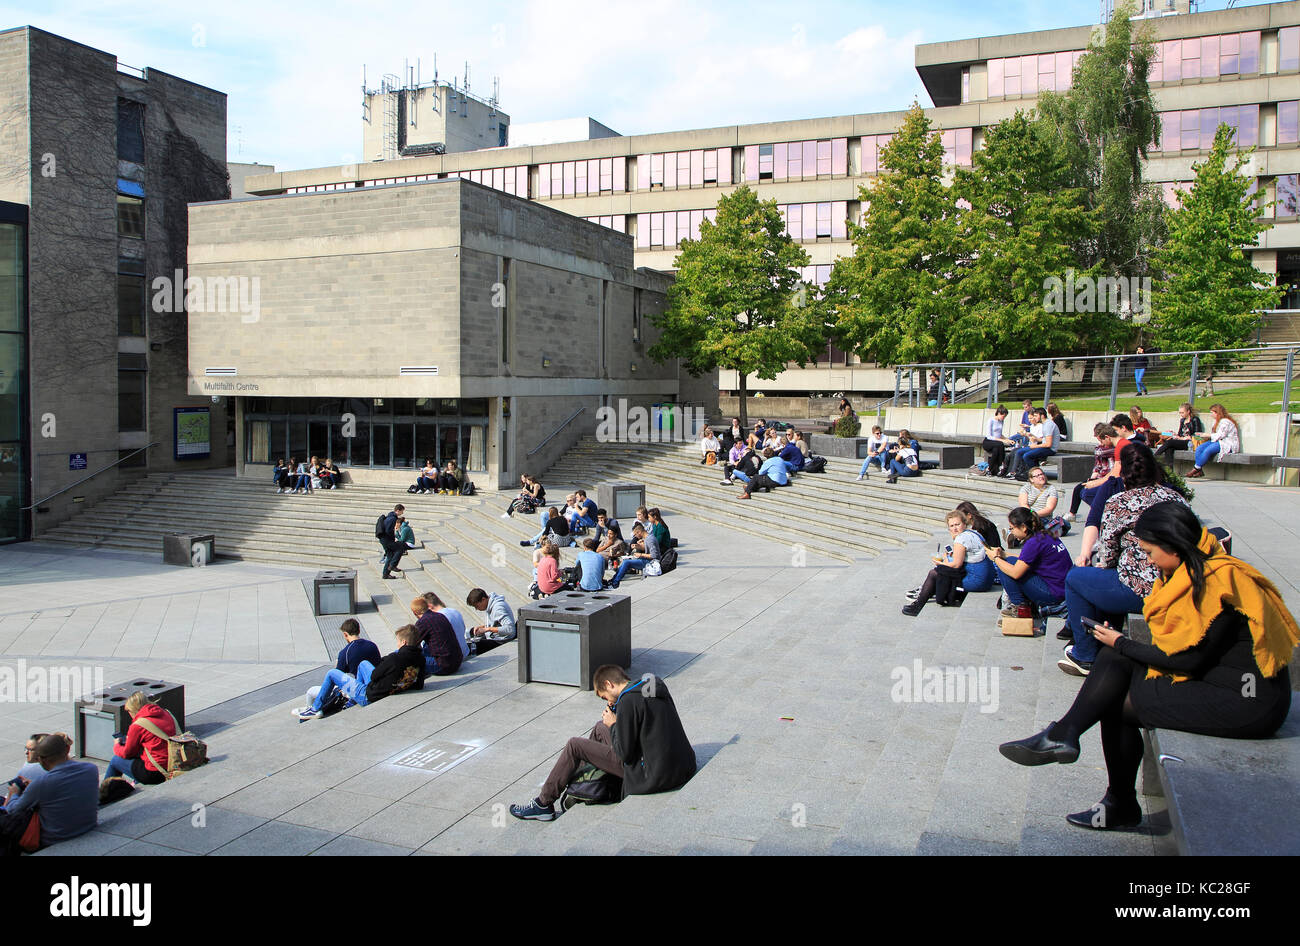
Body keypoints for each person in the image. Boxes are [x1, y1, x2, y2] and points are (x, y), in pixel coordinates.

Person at [998, 502, 1296, 831]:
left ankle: (1111, 793)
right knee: (1115, 662)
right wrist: (1119, 645)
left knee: (1113, 695)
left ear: (1173, 545)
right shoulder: (1197, 569)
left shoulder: (1217, 583)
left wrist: (1120, 642)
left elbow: (1189, 659)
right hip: (1218, 681)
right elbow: (1187, 651)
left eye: (1150, 551)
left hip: (1246, 702)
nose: (1149, 561)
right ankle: (1067, 737)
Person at [1061, 442, 1190, 676]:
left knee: (1076, 578)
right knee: (1102, 580)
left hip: (1141, 591)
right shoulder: (1176, 498)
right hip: (1181, 586)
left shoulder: (1119, 503)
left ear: (1123, 473)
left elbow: (1108, 555)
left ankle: (1085, 654)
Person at [510, 664, 696, 821]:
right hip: (681, 766)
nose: (606, 701)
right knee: (600, 727)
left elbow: (625, 753)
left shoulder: (628, 702)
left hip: (651, 775)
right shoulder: (652, 684)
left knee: (575, 745)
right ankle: (586, 784)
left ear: (609, 684)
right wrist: (613, 721)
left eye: (604, 696)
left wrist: (615, 723)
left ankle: (544, 803)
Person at [295, 624, 425, 719]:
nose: (397, 644)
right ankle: (352, 698)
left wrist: (385, 664)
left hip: (370, 696)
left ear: (403, 642)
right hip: (391, 688)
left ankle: (315, 709)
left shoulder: (394, 658)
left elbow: (374, 676)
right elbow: (419, 685)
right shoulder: (420, 658)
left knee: (331, 674)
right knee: (363, 664)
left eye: (397, 641)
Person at [0, 733, 97, 855]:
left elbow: (12, 810)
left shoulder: (42, 783)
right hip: (87, 826)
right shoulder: (91, 769)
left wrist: (14, 794)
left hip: (52, 838)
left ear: (40, 759)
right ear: (67, 749)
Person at [901, 512, 995, 616]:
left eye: (957, 524)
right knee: (941, 571)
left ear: (964, 523)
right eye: (952, 526)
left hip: (978, 581)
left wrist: (940, 563)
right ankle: (924, 599)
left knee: (935, 573)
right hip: (987, 578)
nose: (955, 528)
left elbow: (956, 565)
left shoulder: (961, 539)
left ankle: (918, 606)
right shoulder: (973, 533)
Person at [990, 507, 1073, 620]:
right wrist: (1004, 554)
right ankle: (1027, 606)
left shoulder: (1033, 543)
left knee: (1003, 566)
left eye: (1012, 528)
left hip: (1053, 594)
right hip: (1062, 589)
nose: (1011, 532)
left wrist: (995, 558)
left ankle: (1020, 608)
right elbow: (1025, 560)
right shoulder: (1045, 535)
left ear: (1023, 527)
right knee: (1009, 561)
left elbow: (1016, 573)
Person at [103, 691, 177, 785]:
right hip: (174, 764)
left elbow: (127, 753)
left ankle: (103, 795)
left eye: (129, 711)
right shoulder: (165, 713)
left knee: (115, 760)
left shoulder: (138, 725)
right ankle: (135, 782)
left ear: (133, 710)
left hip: (156, 772)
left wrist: (117, 745)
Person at [306, 618, 382, 708]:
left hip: (358, 690)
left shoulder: (345, 652)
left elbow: (337, 678)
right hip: (374, 684)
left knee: (311, 691)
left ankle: (312, 710)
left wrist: (337, 665)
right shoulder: (372, 645)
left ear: (345, 634)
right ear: (359, 630)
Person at [1064, 424, 1117, 524]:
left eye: (1100, 440)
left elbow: (1099, 452)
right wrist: (1092, 478)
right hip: (1100, 476)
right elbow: (1097, 466)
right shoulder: (1102, 448)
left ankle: (1100, 511)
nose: (1100, 442)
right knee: (1078, 488)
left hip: (1108, 477)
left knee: (1087, 493)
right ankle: (1072, 514)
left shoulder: (1113, 449)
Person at [411, 597, 463, 676]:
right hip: (457, 661)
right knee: (426, 646)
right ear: (427, 606)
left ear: (415, 613)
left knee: (411, 658)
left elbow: (410, 645)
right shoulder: (440, 615)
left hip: (444, 666)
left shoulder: (422, 622)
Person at [1188, 403, 1239, 478]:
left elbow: (1220, 435)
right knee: (1199, 448)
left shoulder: (1225, 422)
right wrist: (1202, 436)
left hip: (1227, 443)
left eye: (1212, 412)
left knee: (1208, 450)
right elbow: (1213, 435)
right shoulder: (1216, 421)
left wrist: (1206, 435)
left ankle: (1196, 469)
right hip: (1217, 441)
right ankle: (1200, 470)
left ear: (1217, 413)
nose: (1211, 414)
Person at [1005, 407, 1058, 480]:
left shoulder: (1048, 425)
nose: (1035, 418)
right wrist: (1035, 439)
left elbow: (1048, 444)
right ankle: (1018, 472)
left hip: (1050, 449)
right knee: (1020, 452)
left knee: (1027, 456)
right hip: (1043, 446)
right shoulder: (1045, 424)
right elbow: (1043, 440)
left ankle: (1036, 475)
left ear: (1042, 416)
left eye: (1036, 416)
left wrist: (1035, 446)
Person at [467, 588, 517, 654]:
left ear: (483, 599)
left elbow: (510, 629)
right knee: (471, 632)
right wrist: (483, 627)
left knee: (472, 646)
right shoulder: (490, 604)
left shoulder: (498, 608)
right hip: (494, 636)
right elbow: (496, 623)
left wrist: (487, 629)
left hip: (501, 641)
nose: (476, 609)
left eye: (477, 606)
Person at [609, 522, 660, 587]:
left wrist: (641, 554)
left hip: (651, 562)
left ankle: (615, 583)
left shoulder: (650, 539)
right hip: (647, 559)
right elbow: (648, 548)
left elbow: (654, 555)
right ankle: (613, 579)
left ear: (639, 532)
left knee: (627, 563)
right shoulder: (647, 537)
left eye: (635, 534)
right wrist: (638, 546)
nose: (635, 537)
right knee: (625, 561)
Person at [423, 593, 470, 660]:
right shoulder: (454, 611)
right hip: (465, 652)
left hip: (454, 657)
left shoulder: (438, 618)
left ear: (429, 606)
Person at [980, 407, 1014, 477]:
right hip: (988, 442)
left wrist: (1008, 440)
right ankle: (1001, 464)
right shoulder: (991, 420)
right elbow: (989, 436)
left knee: (996, 449)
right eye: (1003, 416)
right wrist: (1003, 440)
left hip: (996, 443)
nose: (1003, 418)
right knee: (1000, 444)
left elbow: (999, 434)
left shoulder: (1001, 421)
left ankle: (990, 469)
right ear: (998, 413)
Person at [377, 503, 406, 579]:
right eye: (402, 511)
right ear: (398, 510)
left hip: (383, 539)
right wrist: (393, 540)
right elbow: (389, 530)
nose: (402, 513)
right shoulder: (392, 519)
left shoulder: (390, 516)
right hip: (386, 539)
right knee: (400, 549)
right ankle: (393, 566)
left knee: (389, 555)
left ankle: (385, 574)